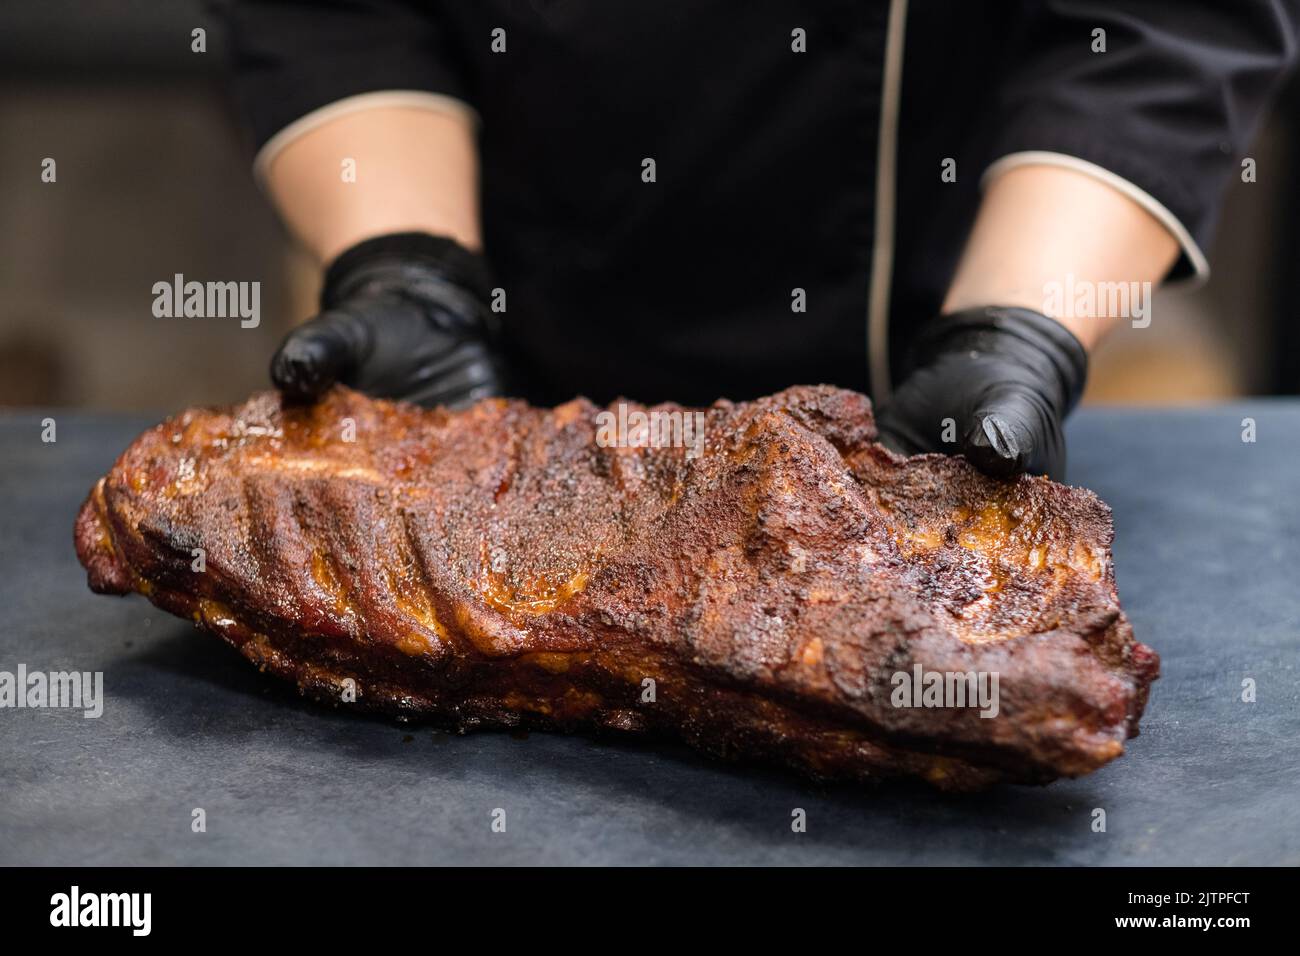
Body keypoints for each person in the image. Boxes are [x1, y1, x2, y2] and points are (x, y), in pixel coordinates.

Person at [222, 0, 1298, 479]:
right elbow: (334, 8)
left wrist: (1020, 336)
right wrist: (411, 272)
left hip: (946, 342)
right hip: (506, 346)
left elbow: (1163, 22)